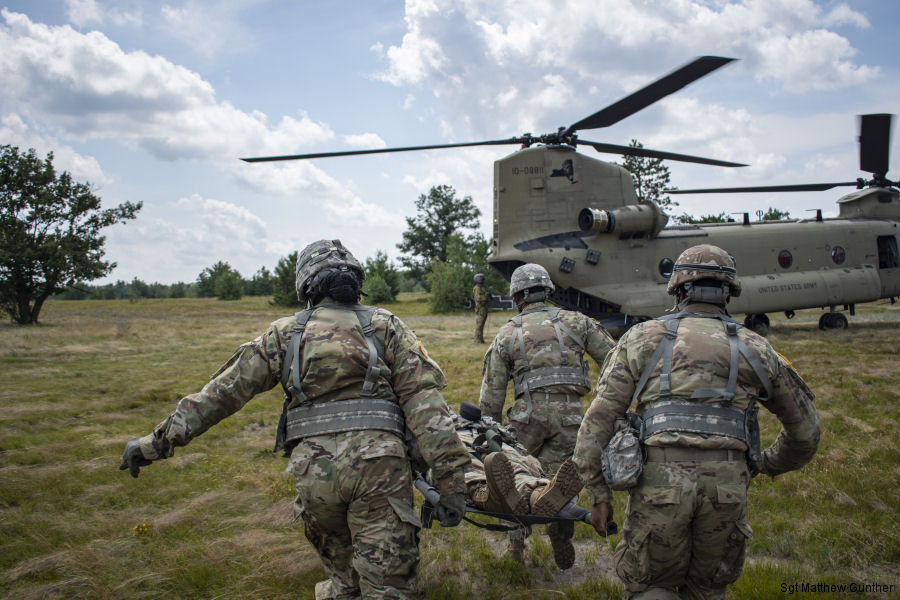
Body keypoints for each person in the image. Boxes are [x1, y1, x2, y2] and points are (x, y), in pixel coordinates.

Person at [120, 239, 471, 600]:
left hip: (314, 477)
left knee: (345, 584)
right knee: (388, 589)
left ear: (306, 287)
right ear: (356, 283)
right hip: (379, 470)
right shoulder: (387, 327)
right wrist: (452, 484)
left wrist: (154, 443)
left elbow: (220, 395)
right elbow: (426, 409)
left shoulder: (284, 334)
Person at [573, 244, 821, 600]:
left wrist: (598, 493)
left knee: (650, 587)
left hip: (659, 487)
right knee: (708, 590)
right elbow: (806, 433)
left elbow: (596, 425)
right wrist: (765, 463)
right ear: (729, 291)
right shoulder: (757, 348)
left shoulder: (641, 339)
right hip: (727, 489)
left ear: (678, 288)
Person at [478, 262, 615, 564]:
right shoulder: (578, 322)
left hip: (526, 419)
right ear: (549, 291)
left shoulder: (507, 333)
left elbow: (492, 394)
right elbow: (616, 361)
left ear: (517, 297)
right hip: (571, 419)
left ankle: (516, 545)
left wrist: (490, 432)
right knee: (558, 481)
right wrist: (606, 406)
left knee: (514, 480)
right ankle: (559, 530)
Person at [473, 273, 489, 344]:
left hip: (484, 308)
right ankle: (477, 340)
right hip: (480, 309)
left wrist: (488, 296)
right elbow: (478, 298)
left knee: (482, 324)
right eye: (482, 279)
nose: (483, 281)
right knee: (479, 325)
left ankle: (481, 340)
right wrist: (486, 296)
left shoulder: (482, 288)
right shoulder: (477, 288)